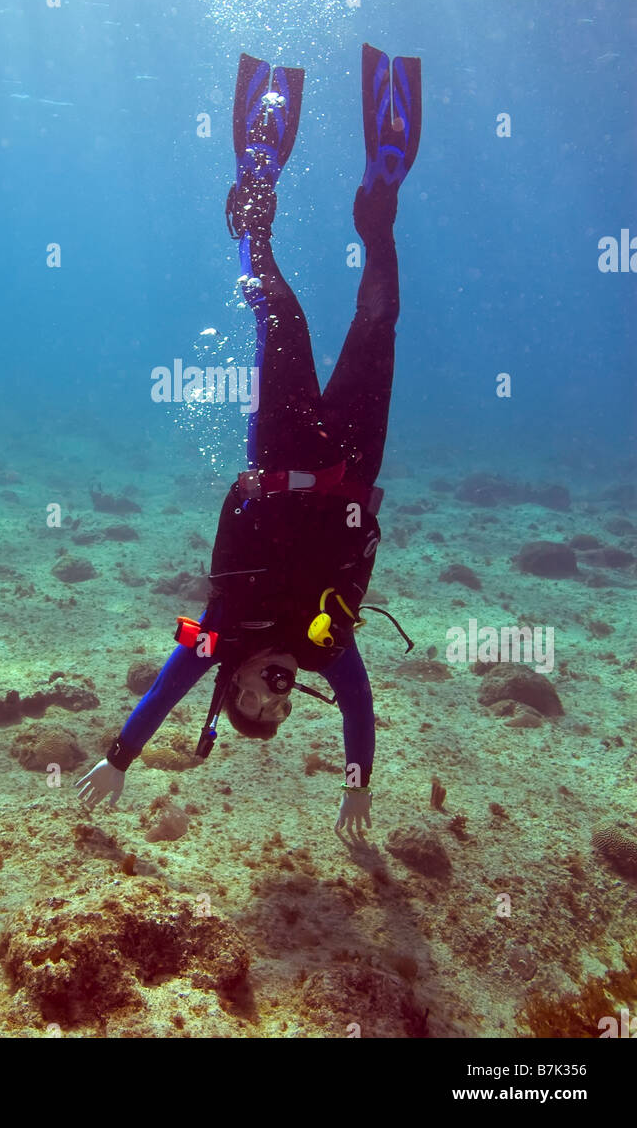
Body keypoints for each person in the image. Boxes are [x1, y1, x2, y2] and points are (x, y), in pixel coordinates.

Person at [77, 43, 422, 837]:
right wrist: (358, 784)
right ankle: (382, 196)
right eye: (277, 709)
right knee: (379, 322)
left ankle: (256, 186)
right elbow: (360, 710)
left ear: (227, 684)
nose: (269, 696)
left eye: (247, 703)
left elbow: (165, 689)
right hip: (351, 463)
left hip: (279, 451)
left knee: (278, 308)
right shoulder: (326, 644)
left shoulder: (219, 635)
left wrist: (121, 757)